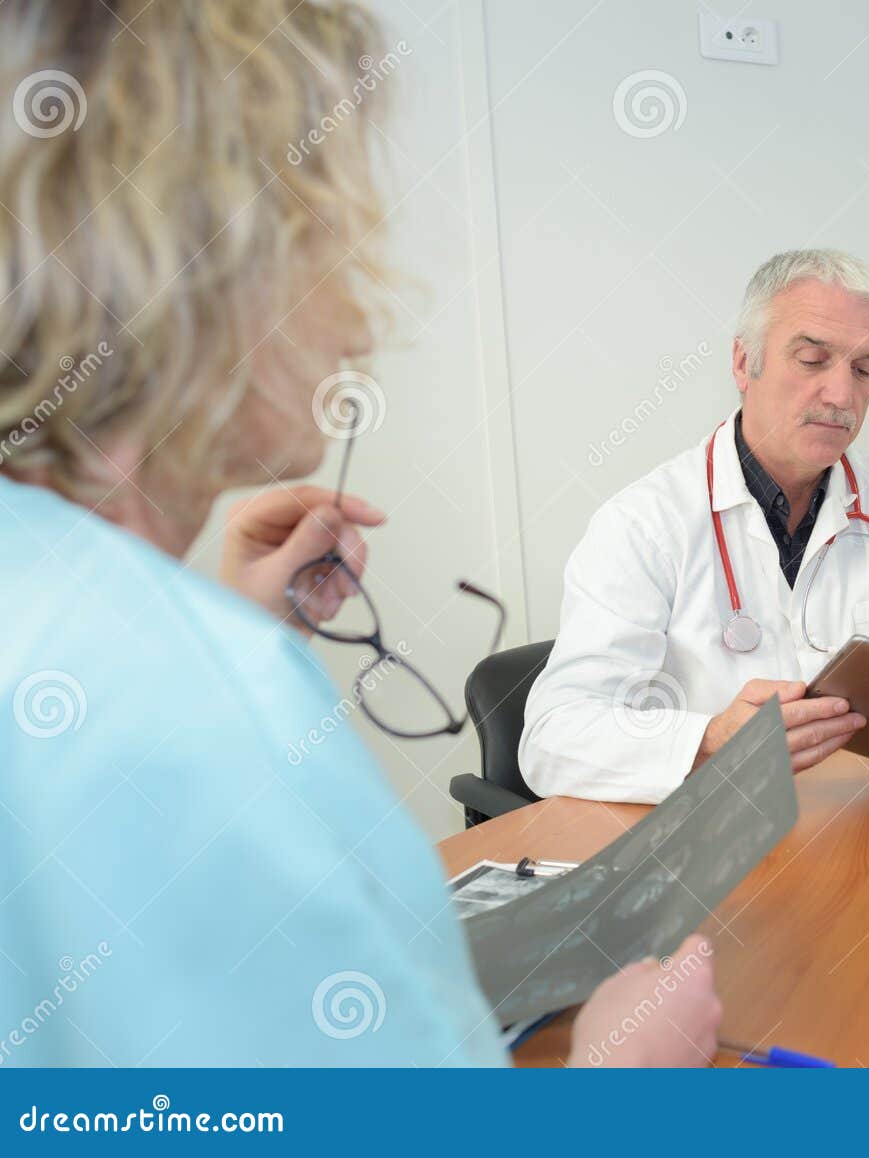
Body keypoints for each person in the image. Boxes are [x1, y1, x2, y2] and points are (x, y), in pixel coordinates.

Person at [0, 0, 717, 1066]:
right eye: (335, 238)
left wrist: (205, 625)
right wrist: (616, 1080)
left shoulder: (97, 633)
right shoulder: (192, 704)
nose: (363, 321)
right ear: (210, 265)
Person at [520, 249, 869, 805]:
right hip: (719, 849)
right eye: (812, 360)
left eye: (864, 368)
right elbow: (555, 736)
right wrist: (708, 743)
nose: (842, 395)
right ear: (743, 363)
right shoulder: (644, 522)